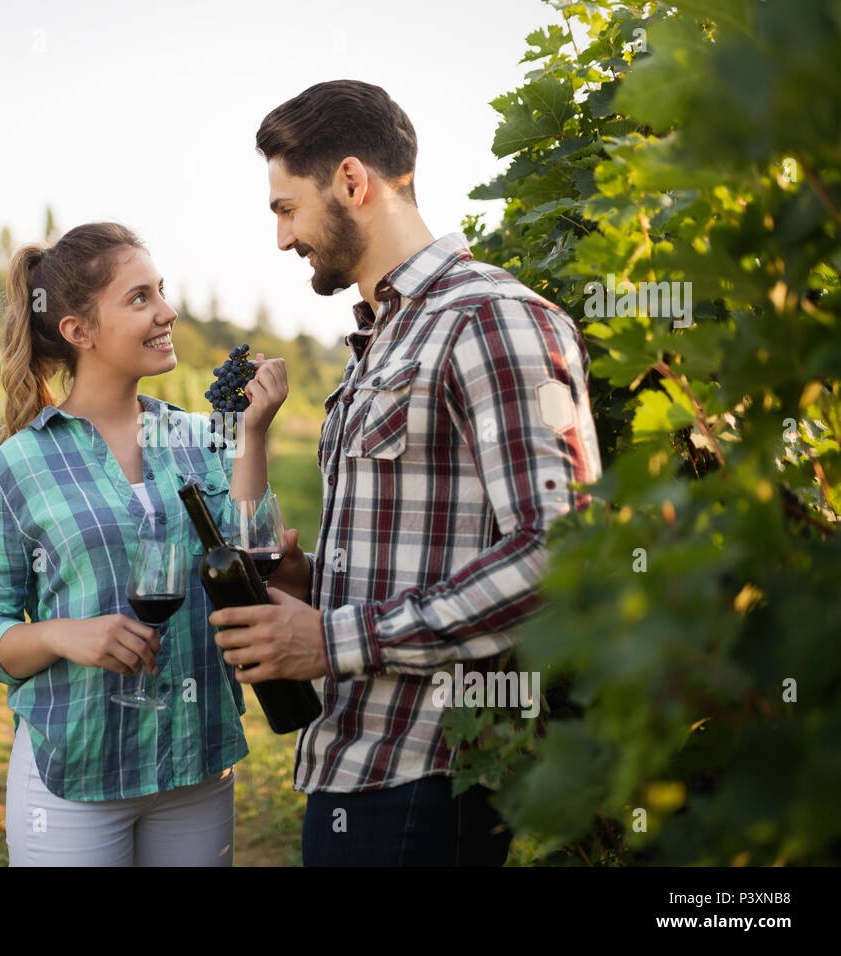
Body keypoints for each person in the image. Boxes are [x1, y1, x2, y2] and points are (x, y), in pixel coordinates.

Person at [208, 80, 604, 866]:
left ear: (352, 183)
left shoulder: (489, 318)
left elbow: (562, 555)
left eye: (286, 209)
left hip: (430, 774)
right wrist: (313, 578)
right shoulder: (387, 338)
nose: (283, 239)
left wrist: (330, 637)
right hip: (360, 758)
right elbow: (430, 550)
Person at [0, 222, 287, 866]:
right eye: (139, 298)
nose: (167, 311)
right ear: (78, 331)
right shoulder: (11, 471)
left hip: (195, 761)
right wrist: (61, 635)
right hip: (77, 771)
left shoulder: (198, 438)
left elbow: (248, 558)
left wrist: (254, 434)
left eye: (160, 291)